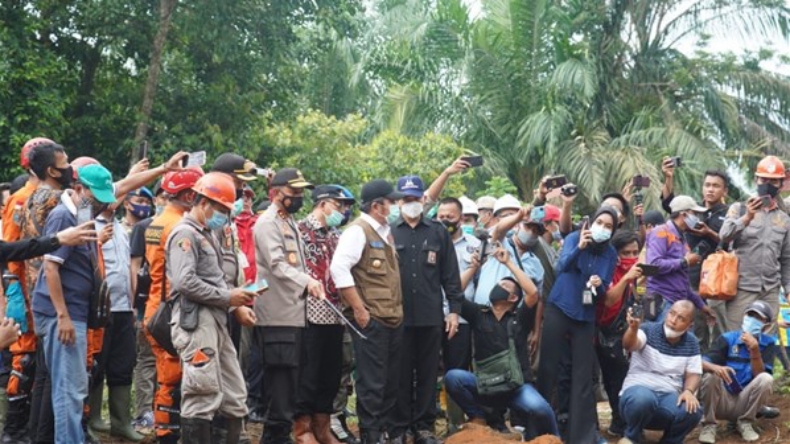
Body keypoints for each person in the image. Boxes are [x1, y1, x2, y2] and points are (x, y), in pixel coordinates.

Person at [31, 163, 118, 443]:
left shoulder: (81, 213)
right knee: (68, 391)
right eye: (96, 200)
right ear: (79, 189)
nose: (100, 206)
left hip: (77, 311)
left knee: (75, 388)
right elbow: (51, 268)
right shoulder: (62, 217)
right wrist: (62, 316)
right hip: (63, 314)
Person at [166, 172, 256, 443]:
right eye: (219, 209)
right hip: (195, 321)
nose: (222, 215)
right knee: (201, 391)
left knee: (234, 392)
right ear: (202, 202)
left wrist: (234, 301)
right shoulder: (185, 234)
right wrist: (228, 297)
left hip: (215, 320)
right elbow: (184, 281)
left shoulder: (208, 234)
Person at [330, 179, 406, 444]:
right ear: (377, 206)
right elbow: (338, 269)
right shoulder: (358, 231)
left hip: (392, 319)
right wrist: (359, 309)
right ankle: (371, 437)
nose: (396, 206)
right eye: (392, 202)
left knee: (389, 382)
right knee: (372, 384)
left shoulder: (385, 232)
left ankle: (384, 432)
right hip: (371, 320)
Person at [253, 168, 325, 444]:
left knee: (290, 384)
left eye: (300, 192)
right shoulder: (268, 222)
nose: (298, 197)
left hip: (294, 314)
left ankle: (278, 437)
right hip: (276, 315)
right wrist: (307, 280)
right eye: (293, 192)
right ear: (276, 193)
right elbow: (276, 265)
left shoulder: (288, 220)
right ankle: (275, 439)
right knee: (281, 386)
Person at [389, 177, 463, 444]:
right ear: (398, 202)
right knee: (399, 373)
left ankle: (424, 426)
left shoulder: (438, 232)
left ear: (424, 200)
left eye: (415, 199)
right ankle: (399, 427)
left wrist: (453, 311)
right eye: (406, 200)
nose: (411, 204)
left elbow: (451, 277)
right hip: (397, 316)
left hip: (430, 316)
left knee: (428, 373)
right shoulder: (389, 231)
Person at [536, 207, 619, 444]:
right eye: (600, 222)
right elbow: (560, 267)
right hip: (560, 307)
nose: (603, 228)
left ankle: (581, 436)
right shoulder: (574, 237)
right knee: (549, 368)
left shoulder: (610, 253)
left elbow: (603, 290)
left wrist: (598, 283)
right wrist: (580, 247)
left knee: (583, 376)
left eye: (608, 226)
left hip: (585, 315)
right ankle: (540, 429)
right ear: (592, 222)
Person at [444, 268, 557, 441]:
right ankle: (478, 417)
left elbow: (533, 293)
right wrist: (474, 266)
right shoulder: (478, 314)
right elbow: (455, 291)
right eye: (498, 284)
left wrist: (508, 262)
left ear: (513, 298)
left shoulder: (520, 317)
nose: (498, 286)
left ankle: (555, 437)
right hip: (487, 385)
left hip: (517, 387)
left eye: (504, 285)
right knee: (453, 378)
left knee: (541, 408)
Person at [144, 167, 205, 444]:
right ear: (189, 194)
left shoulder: (158, 221)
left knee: (169, 372)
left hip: (156, 302)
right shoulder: (177, 226)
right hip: (169, 309)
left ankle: (168, 431)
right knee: (172, 375)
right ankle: (167, 434)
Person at [296, 185, 355, 444]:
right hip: (308, 312)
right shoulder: (299, 231)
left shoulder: (336, 235)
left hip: (336, 312)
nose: (342, 211)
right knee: (308, 372)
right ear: (323, 203)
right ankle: (302, 428)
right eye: (339, 205)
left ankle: (322, 428)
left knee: (331, 374)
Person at [87, 203, 145, 442]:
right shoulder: (90, 226)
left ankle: (121, 422)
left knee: (123, 364)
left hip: (123, 307)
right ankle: (92, 420)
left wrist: (132, 305)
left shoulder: (120, 228)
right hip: (101, 308)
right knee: (96, 364)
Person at [661, 165, 731, 352]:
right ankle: (694, 369)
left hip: (718, 281)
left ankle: (716, 374)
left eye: (716, 186)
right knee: (694, 329)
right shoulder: (693, 209)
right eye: (707, 185)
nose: (710, 189)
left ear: (725, 190)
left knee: (719, 330)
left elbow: (731, 243)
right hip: (691, 278)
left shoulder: (730, 213)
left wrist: (709, 233)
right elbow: (669, 204)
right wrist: (668, 177)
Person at [720, 155, 790, 334]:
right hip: (742, 287)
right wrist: (747, 217)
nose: (767, 184)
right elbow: (725, 235)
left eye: (774, 181)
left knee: (766, 342)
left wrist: (788, 290)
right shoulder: (739, 208)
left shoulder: (784, 219)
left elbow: (786, 259)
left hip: (770, 290)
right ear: (756, 180)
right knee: (735, 338)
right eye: (764, 179)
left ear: (781, 184)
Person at [618, 300, 704, 444]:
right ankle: (631, 437)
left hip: (668, 397)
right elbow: (629, 345)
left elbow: (694, 373)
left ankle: (671, 441)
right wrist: (633, 329)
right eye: (672, 313)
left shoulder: (692, 342)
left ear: (690, 325)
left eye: (681, 318)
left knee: (693, 410)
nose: (673, 320)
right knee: (644, 398)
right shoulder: (648, 330)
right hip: (637, 395)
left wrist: (688, 391)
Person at [698, 301, 777, 443]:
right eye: (750, 314)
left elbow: (760, 376)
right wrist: (716, 368)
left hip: (745, 401)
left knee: (766, 378)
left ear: (767, 325)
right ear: (744, 316)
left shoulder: (769, 343)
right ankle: (709, 425)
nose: (753, 320)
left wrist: (755, 350)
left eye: (759, 318)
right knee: (710, 375)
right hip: (722, 400)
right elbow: (701, 363)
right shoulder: (728, 338)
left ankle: (745, 422)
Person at [435, 197, 481, 432]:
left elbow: (459, 286)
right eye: (441, 216)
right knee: (428, 371)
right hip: (432, 317)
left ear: (461, 218)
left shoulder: (475, 245)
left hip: (461, 319)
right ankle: (425, 424)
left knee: (456, 372)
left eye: (449, 217)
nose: (444, 221)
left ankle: (455, 424)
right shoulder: (430, 240)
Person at [596, 230, 642, 437]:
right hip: (597, 330)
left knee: (621, 377)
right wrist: (626, 278)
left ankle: (622, 422)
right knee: (608, 378)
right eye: (626, 253)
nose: (631, 257)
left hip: (619, 330)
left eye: (635, 252)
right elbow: (607, 299)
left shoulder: (633, 272)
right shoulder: (608, 269)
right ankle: (617, 422)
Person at [129, 182, 166, 432]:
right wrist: (134, 305)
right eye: (162, 196)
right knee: (147, 359)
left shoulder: (186, 226)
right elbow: (134, 267)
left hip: (175, 304)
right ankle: (144, 411)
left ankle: (165, 410)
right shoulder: (144, 227)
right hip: (148, 303)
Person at [645, 196, 716, 323]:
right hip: (661, 302)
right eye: (695, 213)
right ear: (684, 214)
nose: (697, 218)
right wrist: (685, 261)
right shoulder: (661, 232)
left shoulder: (681, 238)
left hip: (676, 302)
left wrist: (702, 305)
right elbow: (652, 266)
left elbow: (681, 282)